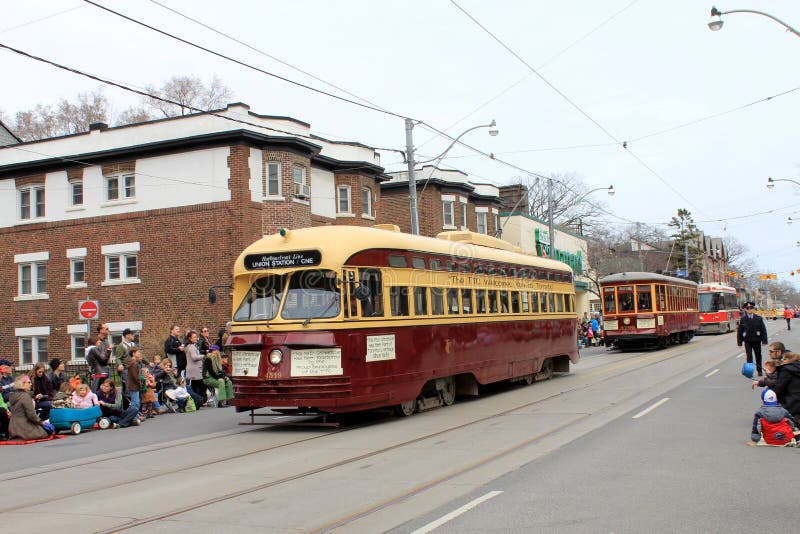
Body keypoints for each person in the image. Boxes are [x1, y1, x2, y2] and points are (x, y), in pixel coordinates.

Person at [8, 375, 50, 441]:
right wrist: (42, 423)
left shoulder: (14, 396)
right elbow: (31, 415)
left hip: (13, 428)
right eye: (29, 382)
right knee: (46, 432)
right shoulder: (25, 396)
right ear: (23, 384)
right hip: (24, 427)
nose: (31, 384)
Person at [737, 301, 768, 377]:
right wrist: (739, 342)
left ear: (753, 309)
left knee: (758, 355)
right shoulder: (743, 319)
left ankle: (759, 370)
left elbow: (763, 330)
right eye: (748, 308)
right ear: (745, 309)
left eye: (751, 308)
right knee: (749, 356)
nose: (750, 310)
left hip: (757, 340)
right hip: (747, 340)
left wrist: (764, 340)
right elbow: (740, 331)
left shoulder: (758, 318)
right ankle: (749, 371)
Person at [773, 350, 800, 422]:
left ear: (788, 360)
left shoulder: (786, 370)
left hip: (791, 404)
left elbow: (779, 388)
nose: (782, 361)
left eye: (783, 359)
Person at [184, 330, 206, 402]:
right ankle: (200, 400)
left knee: (196, 385)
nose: (196, 338)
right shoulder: (192, 347)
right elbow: (194, 357)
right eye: (194, 337)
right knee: (199, 385)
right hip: (194, 370)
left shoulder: (190, 346)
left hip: (194, 369)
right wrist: (203, 356)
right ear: (190, 338)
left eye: (196, 337)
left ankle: (199, 400)